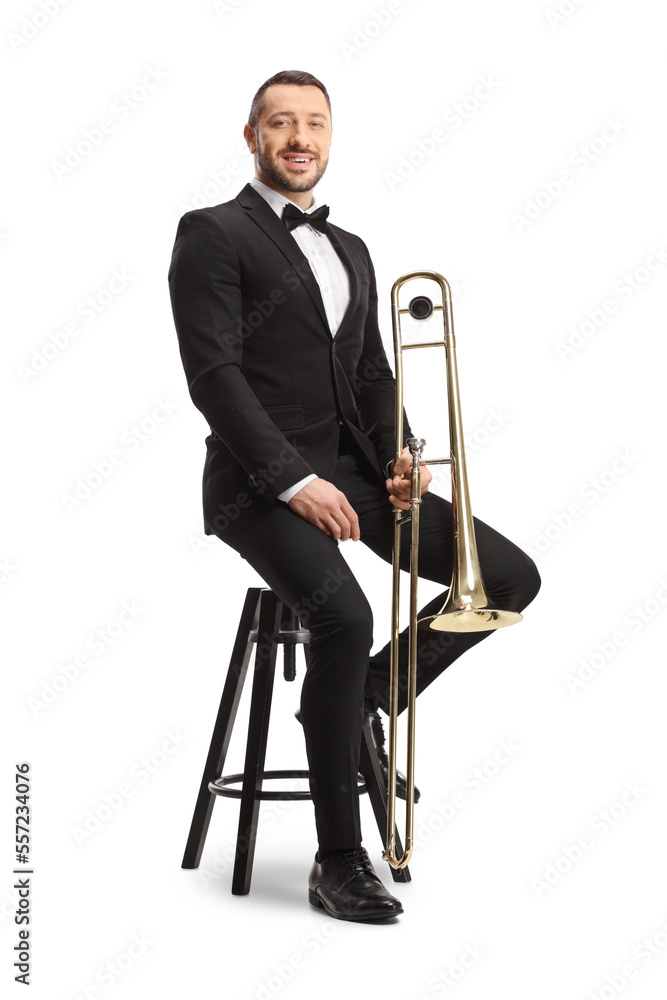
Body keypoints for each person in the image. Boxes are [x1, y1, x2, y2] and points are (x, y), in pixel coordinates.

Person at [168, 69, 540, 922]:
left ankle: (364, 697)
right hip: (256, 483)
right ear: (252, 135)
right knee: (343, 617)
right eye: (282, 124)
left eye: (315, 125)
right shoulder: (212, 232)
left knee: (507, 579)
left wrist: (400, 457)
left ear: (330, 138)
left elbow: (370, 374)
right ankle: (339, 859)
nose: (300, 139)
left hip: (355, 472)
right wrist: (294, 481)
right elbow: (213, 374)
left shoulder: (352, 249)